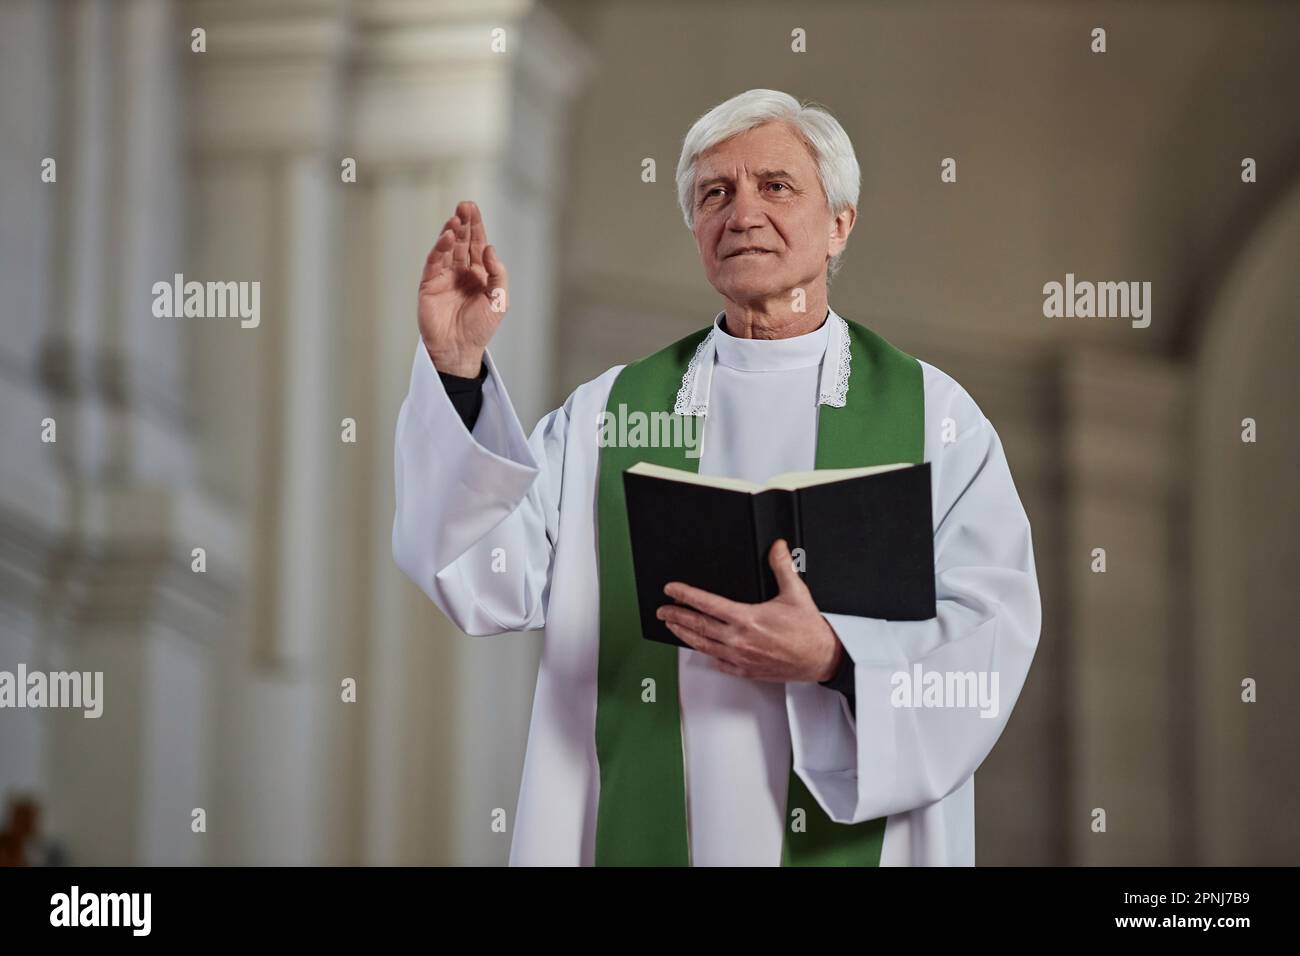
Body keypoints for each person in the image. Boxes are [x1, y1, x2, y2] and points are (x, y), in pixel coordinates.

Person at [392, 89, 1041, 865]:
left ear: (840, 223)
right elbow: (484, 576)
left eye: (776, 186)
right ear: (697, 229)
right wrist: (457, 368)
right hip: (649, 819)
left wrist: (835, 657)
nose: (742, 213)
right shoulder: (612, 414)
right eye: (714, 193)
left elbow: (992, 630)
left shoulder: (934, 416)